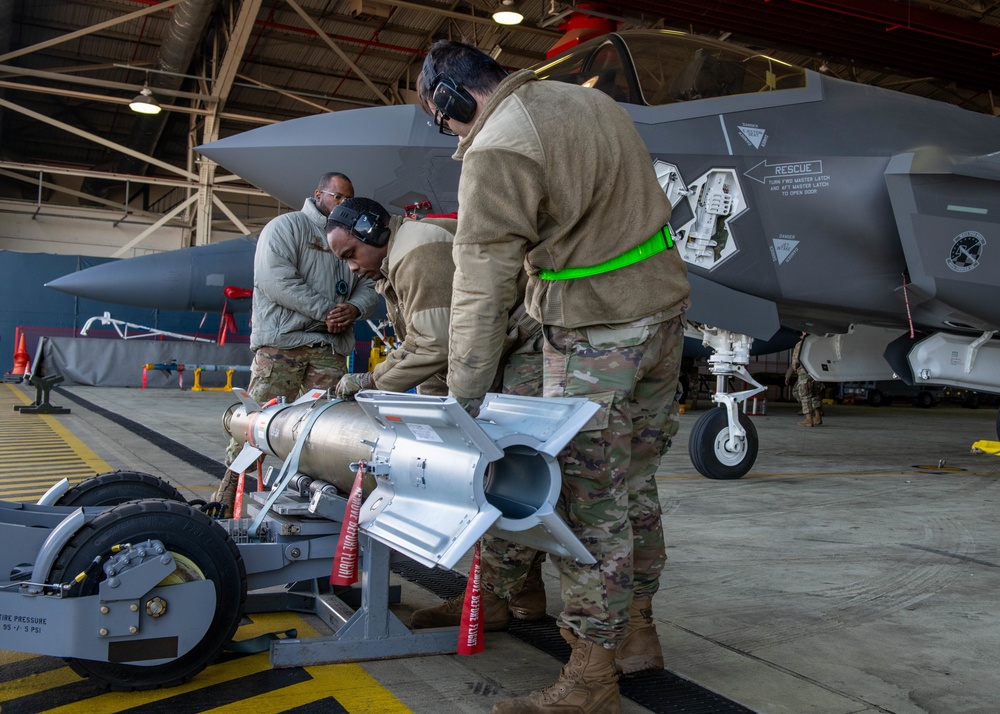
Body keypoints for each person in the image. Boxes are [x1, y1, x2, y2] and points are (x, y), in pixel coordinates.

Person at [418, 40, 691, 714]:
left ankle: (593, 680)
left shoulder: (498, 149)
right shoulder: (589, 101)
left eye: (440, 118)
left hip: (598, 333)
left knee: (584, 502)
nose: (448, 131)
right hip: (662, 315)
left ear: (453, 98)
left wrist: (463, 398)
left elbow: (482, 289)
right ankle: (637, 638)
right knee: (634, 484)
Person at [325, 196, 548, 631]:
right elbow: (438, 353)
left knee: (503, 470)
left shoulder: (416, 254)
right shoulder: (398, 261)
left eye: (351, 254)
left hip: (524, 346)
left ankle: (491, 598)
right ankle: (522, 589)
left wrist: (369, 384)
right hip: (493, 350)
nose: (350, 268)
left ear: (374, 233)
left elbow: (433, 346)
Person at [213, 173, 378, 516]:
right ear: (318, 194)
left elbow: (368, 281)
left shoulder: (349, 238)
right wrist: (326, 311)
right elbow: (276, 280)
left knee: (325, 432)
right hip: (283, 347)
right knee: (254, 424)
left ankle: (311, 507)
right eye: (338, 197)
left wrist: (355, 308)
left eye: (350, 199)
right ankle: (226, 501)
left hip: (329, 350)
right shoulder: (287, 227)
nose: (344, 204)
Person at [785, 332, 824, 426]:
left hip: (805, 373)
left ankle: (808, 419)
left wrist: (795, 369)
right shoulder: (820, 344)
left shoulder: (801, 344)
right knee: (815, 395)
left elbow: (795, 361)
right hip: (817, 373)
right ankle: (818, 418)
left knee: (805, 396)